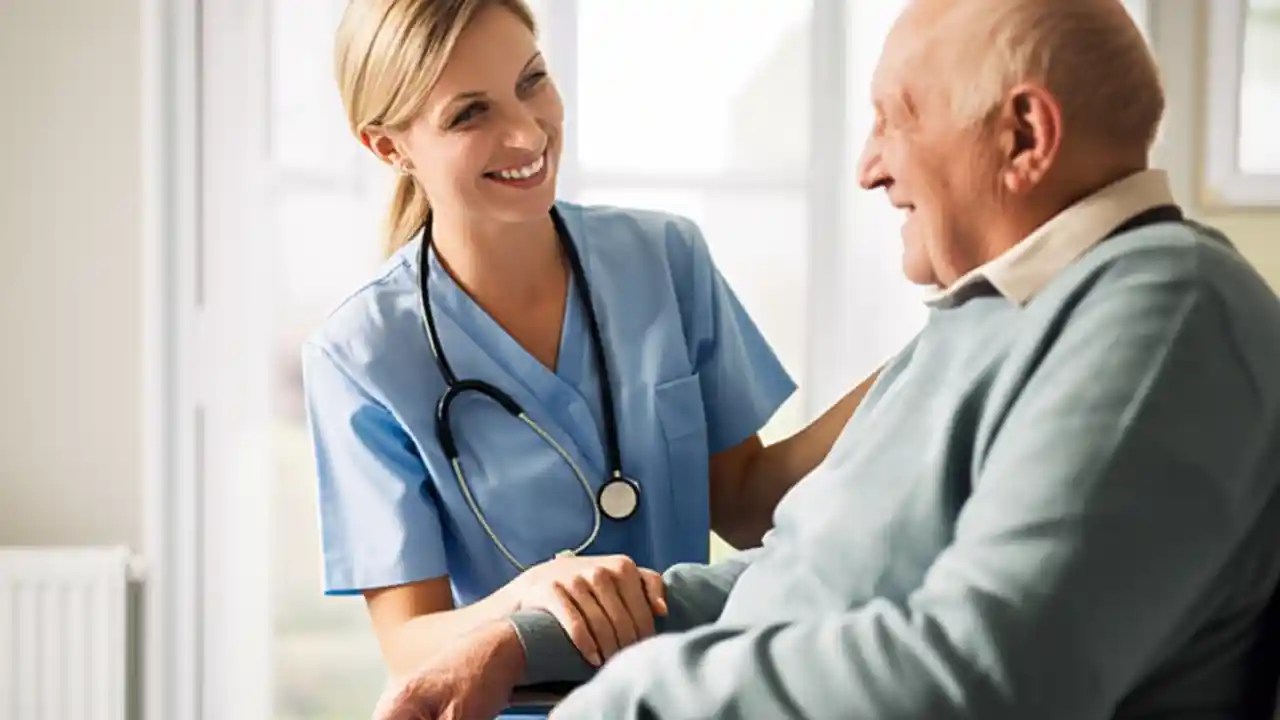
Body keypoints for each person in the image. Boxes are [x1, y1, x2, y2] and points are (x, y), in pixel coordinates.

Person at [372, 0, 1280, 718]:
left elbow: (985, 675)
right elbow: (799, 574)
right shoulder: (990, 318)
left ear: (1025, 138)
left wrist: (623, 703)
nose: (868, 167)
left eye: (895, 120)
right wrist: (524, 645)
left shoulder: (1164, 313)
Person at [300, 0, 875, 699]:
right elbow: (409, 646)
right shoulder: (362, 354)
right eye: (469, 114)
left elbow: (748, 503)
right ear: (389, 148)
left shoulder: (664, 259)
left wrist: (936, 357)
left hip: (684, 700)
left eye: (532, 81)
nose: (525, 130)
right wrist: (532, 595)